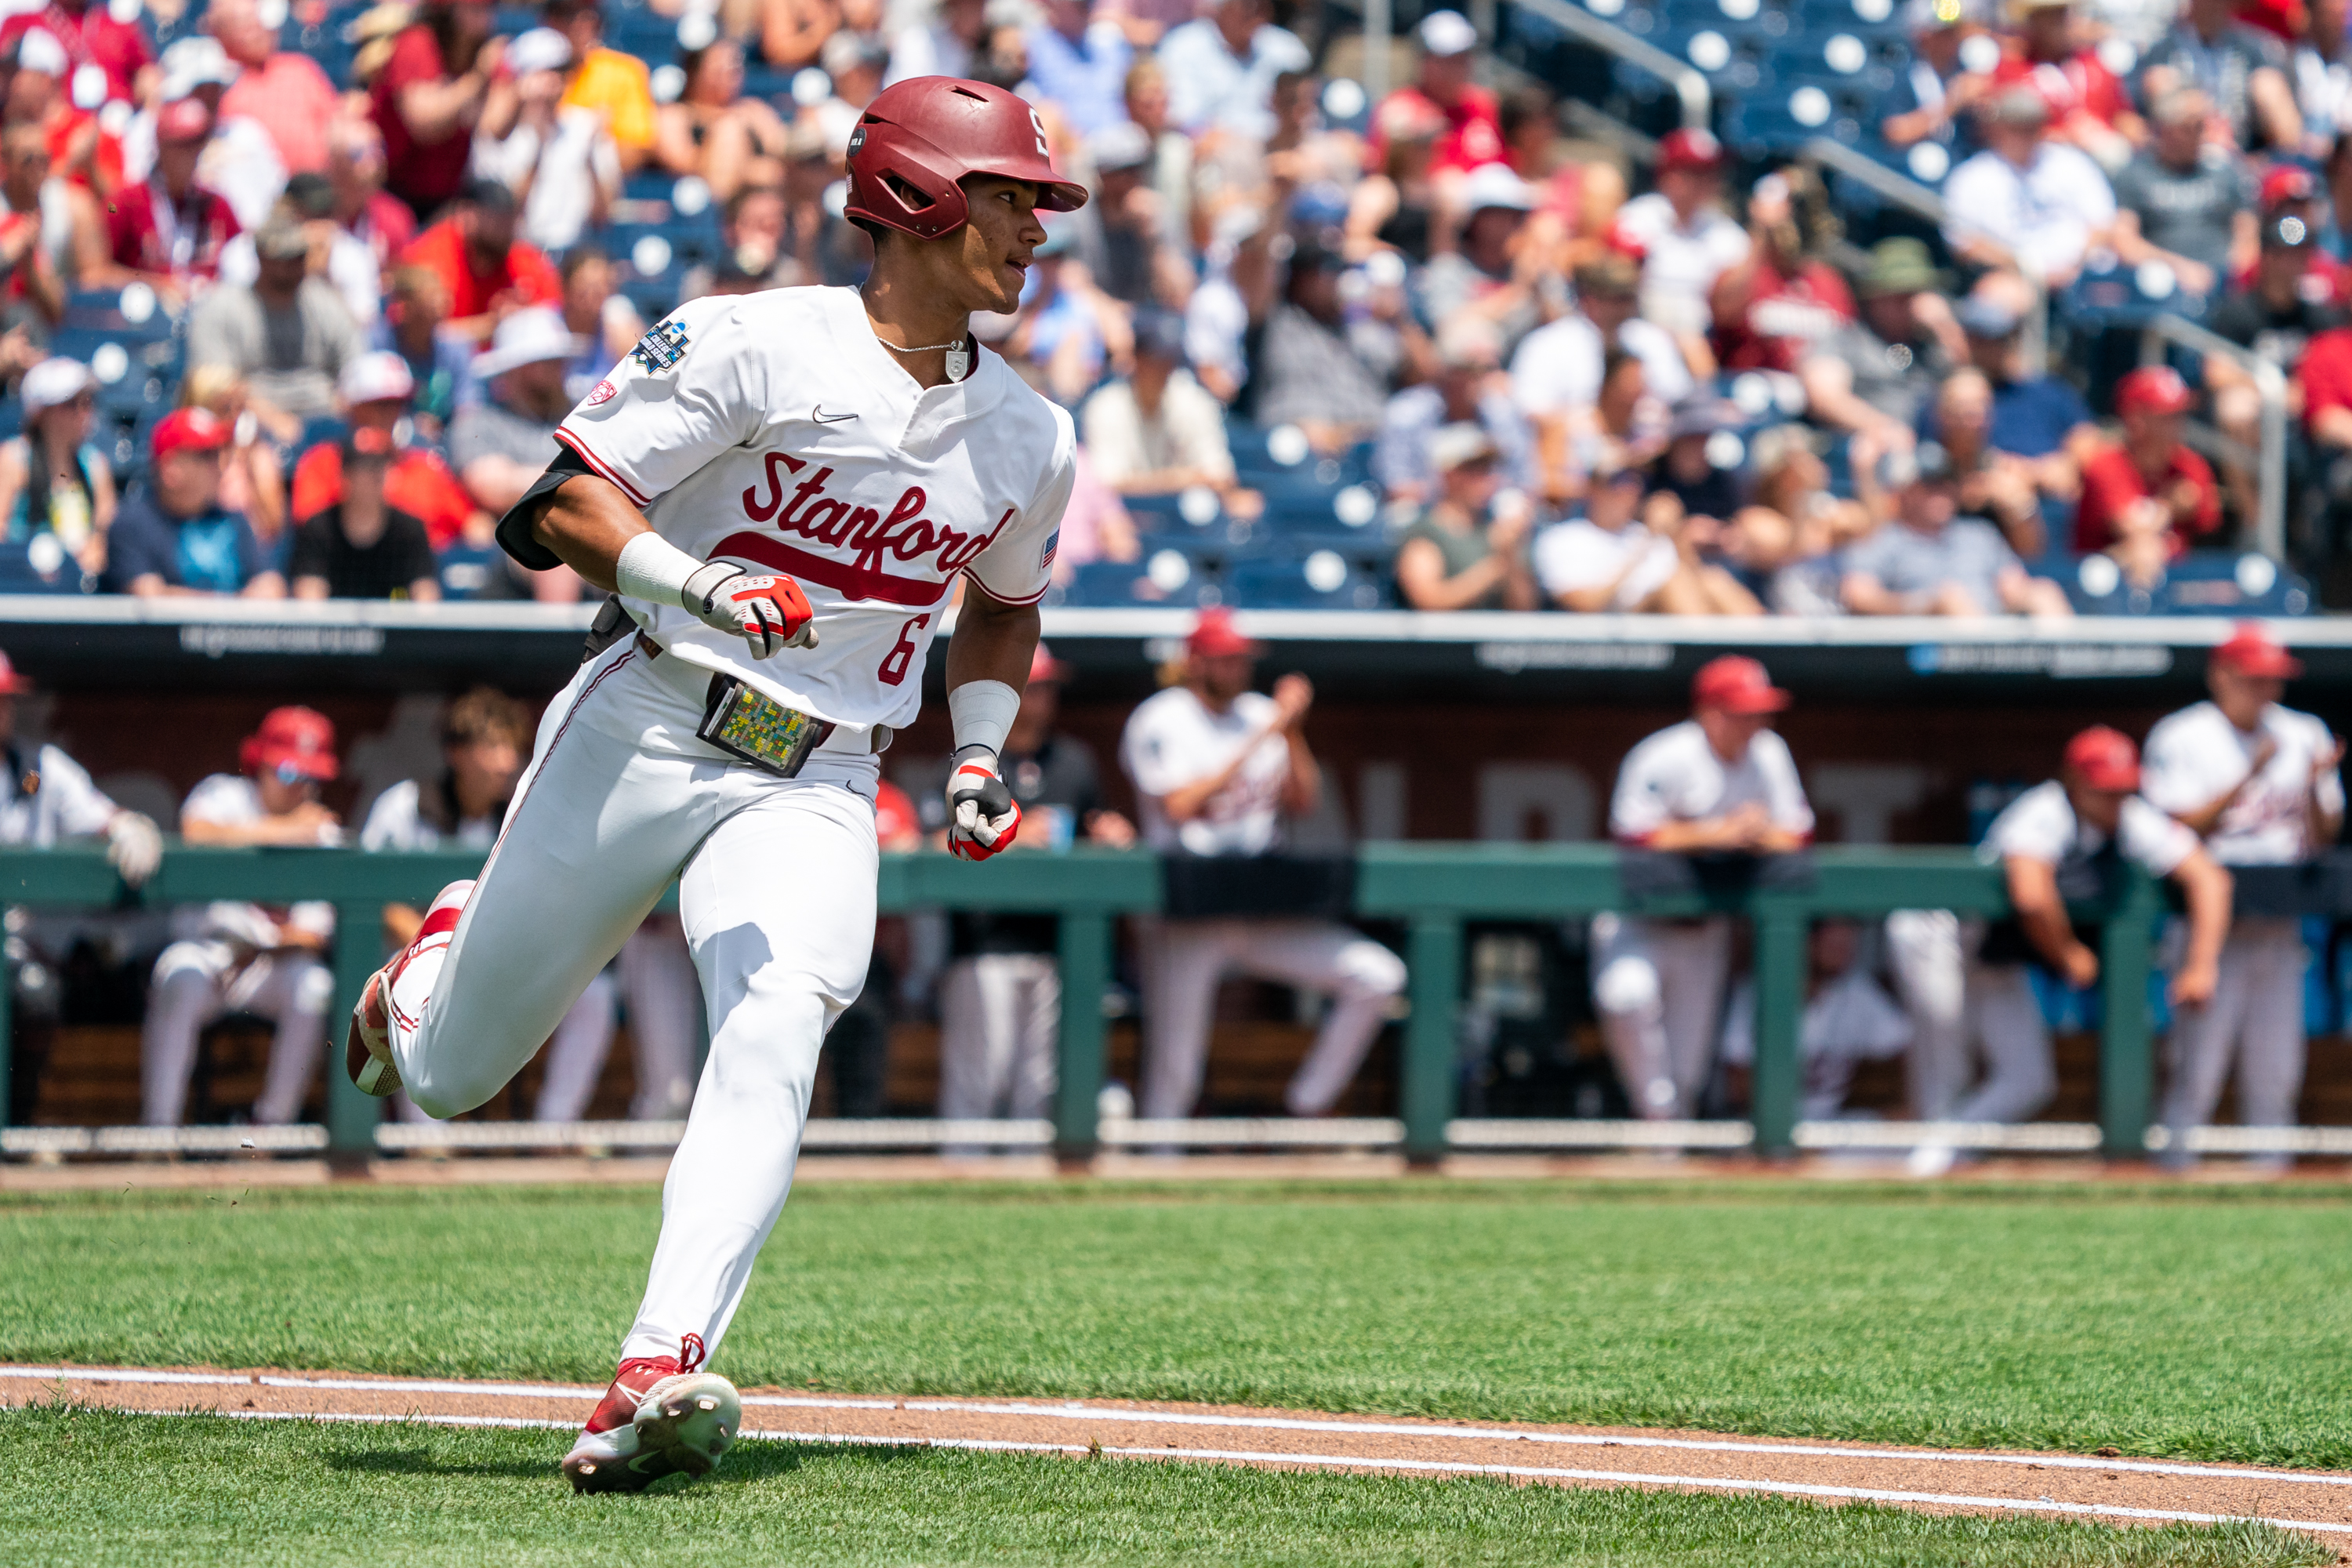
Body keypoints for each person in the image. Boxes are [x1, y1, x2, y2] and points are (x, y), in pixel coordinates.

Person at [337, 76, 1082, 1494]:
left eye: (1040, 203)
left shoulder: (1032, 435)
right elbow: (559, 504)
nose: (1036, 231)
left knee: (779, 1014)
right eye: (1011, 196)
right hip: (656, 714)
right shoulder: (754, 341)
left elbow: (1004, 600)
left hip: (824, 771)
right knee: (446, 1078)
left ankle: (655, 1362)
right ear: (919, 195)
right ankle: (429, 969)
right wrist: (700, 579)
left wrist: (979, 751)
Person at [1898, 727, 2232, 1174]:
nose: (2116, 800)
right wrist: (2070, 954)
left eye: (2124, 789)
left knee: (2028, 1080)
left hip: (1996, 958)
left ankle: (1938, 1158)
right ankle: (1927, 1175)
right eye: (2104, 789)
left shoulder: (2133, 818)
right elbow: (2031, 895)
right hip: (1939, 936)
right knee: (1948, 1074)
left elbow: (2209, 878)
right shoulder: (2044, 810)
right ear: (2074, 780)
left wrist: (2201, 964)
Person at [1119, 608, 1407, 1121]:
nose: (1237, 668)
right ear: (1195, 661)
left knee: (1377, 976)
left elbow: (1305, 800)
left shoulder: (1259, 714)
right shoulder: (1161, 718)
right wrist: (1265, 732)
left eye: (1241, 659)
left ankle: (1306, 1104)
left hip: (1259, 900)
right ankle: (1158, 1163)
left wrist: (1291, 733)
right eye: (1225, 659)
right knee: (1176, 1063)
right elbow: (1182, 806)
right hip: (1189, 908)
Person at [2141, 626, 2342, 1165]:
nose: (2266, 690)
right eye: (2254, 678)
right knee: (2197, 1068)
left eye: (2273, 680)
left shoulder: (2304, 732)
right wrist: (2248, 776)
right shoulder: (2182, 734)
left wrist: (2313, 792)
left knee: (2276, 1071)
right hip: (2208, 924)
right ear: (2221, 675)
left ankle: (2270, 1186)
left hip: (2279, 922)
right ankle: (2172, 1181)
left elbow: (2324, 837)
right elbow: (2175, 830)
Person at [915, 644, 1134, 1129]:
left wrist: (1107, 835)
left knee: (1038, 1083)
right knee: (980, 1078)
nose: (1042, 698)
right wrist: (1014, 838)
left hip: (1056, 944)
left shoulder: (1073, 760)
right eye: (1033, 688)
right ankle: (962, 1173)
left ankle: (1025, 1181)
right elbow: (927, 842)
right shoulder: (972, 761)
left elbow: (1093, 827)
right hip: (982, 944)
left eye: (1048, 688)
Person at [1595, 656, 1813, 1121]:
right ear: (1710, 712)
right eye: (1743, 712)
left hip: (1704, 929)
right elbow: (1633, 836)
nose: (1756, 722)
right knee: (1625, 997)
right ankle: (1657, 1128)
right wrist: (1718, 832)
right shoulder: (1664, 754)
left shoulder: (1770, 752)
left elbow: (1798, 836)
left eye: (1761, 711)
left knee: (1687, 1072)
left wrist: (1753, 832)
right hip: (1639, 922)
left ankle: (1664, 1149)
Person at [142, 707, 343, 1128]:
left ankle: (270, 1130)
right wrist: (286, 833)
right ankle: (158, 1131)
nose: (300, 786)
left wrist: (257, 946)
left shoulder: (322, 831)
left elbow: (313, 934)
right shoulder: (223, 796)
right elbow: (198, 835)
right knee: (177, 975)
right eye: (289, 773)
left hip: (272, 964)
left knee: (315, 988)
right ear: (261, 763)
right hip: (208, 953)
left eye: (311, 776)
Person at [1512, 247, 1691, 501]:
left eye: (1628, 297)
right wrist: (1600, 436)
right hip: (1574, 465)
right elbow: (1533, 412)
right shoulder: (1549, 343)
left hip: (1646, 464)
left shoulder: (1651, 340)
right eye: (1614, 298)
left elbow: (1678, 401)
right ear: (1588, 298)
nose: (1624, 306)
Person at [1843, 444, 2072, 618]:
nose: (1941, 493)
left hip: (1992, 638)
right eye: (1930, 485)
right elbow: (1857, 595)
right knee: (1954, 601)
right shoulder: (1882, 537)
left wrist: (2032, 595)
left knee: (2045, 592)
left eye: (1947, 484)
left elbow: (2013, 587)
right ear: (1906, 491)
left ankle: (2071, 675)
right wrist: (1927, 605)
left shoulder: (1980, 534)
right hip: (1923, 651)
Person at [1719, 920, 1913, 1122]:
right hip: (1765, 1128)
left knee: (1890, 1128)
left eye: (1849, 938)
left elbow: (1900, 1057)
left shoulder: (1857, 989)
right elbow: (1738, 1086)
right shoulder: (1757, 990)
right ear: (1806, 940)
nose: (1845, 947)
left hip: (1833, 1129)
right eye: (1835, 941)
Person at [292, 353, 483, 554]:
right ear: (351, 408)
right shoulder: (321, 464)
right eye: (380, 404)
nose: (390, 414)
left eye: (397, 404)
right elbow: (311, 536)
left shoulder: (426, 467)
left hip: (424, 577)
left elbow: (475, 526)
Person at [448, 307, 580, 592]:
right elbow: (491, 486)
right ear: (517, 369)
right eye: (546, 361)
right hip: (514, 539)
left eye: (559, 360)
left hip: (591, 527)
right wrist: (581, 478)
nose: (560, 368)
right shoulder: (479, 421)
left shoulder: (582, 415)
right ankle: (558, 637)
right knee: (556, 551)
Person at [1798, 238, 1962, 463]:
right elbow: (1824, 396)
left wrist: (1945, 327)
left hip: (1928, 456)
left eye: (1914, 296)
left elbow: (1968, 384)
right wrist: (1882, 427)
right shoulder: (1848, 338)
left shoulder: (1931, 346)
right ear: (1875, 297)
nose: (1909, 306)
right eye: (1899, 296)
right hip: (1862, 453)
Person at [187, 215, 361, 424]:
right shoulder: (223, 307)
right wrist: (276, 421)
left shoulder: (326, 303)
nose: (292, 266)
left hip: (326, 419)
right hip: (251, 426)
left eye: (298, 256)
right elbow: (213, 385)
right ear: (260, 256)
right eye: (283, 257)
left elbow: (356, 370)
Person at [1940, 83, 2114, 287]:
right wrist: (2027, 269)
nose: (2026, 135)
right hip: (2010, 275)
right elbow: (1965, 244)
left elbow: (2104, 224)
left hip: (2079, 274)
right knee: (1998, 297)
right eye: (2017, 127)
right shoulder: (1971, 176)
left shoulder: (2071, 162)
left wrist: (2074, 266)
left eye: (2032, 126)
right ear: (1996, 128)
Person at [1080, 307, 1250, 511]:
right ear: (1137, 359)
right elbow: (1107, 485)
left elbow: (1220, 476)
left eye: (1170, 360)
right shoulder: (1105, 406)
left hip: (1185, 520)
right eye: (1156, 360)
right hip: (1129, 518)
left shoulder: (1194, 401)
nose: (1165, 369)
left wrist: (1152, 483)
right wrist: (1186, 478)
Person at [100, 410, 282, 598]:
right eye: (207, 455)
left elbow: (271, 585)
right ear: (171, 469)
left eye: (220, 453)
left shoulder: (234, 519)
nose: (220, 465)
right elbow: (148, 597)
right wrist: (235, 604)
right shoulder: (132, 524)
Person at [470, 27, 619, 254]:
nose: (556, 80)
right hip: (518, 251)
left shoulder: (586, 126)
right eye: (547, 71)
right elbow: (508, 210)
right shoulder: (501, 136)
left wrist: (589, 155)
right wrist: (539, 148)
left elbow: (603, 214)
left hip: (573, 254)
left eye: (563, 71)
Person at [1535, 462, 1755, 614]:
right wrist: (1637, 555)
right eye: (1620, 481)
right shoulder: (1563, 539)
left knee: (1714, 580)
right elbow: (1583, 605)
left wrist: (1676, 534)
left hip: (1672, 619)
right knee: (1673, 587)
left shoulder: (1645, 534)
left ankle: (1764, 658)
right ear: (1594, 488)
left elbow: (1695, 584)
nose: (1631, 490)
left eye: (1636, 482)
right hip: (1620, 627)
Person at [82, 97, 239, 302]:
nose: (190, 153)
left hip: (207, 317)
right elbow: (94, 275)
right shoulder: (124, 202)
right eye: (180, 144)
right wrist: (158, 285)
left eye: (197, 142)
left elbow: (245, 266)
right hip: (142, 322)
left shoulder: (217, 205)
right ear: (160, 145)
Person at [2109, 90, 2259, 304]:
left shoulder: (2225, 171)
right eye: (2195, 126)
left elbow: (2247, 234)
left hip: (2224, 286)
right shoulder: (2134, 175)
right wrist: (2178, 268)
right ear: (2168, 129)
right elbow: (2123, 242)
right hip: (2161, 287)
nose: (2204, 133)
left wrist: (2229, 275)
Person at [1612, 129, 1750, 358]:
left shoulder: (1728, 234)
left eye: (1711, 173)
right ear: (1668, 173)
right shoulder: (1636, 218)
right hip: (1639, 324)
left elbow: (1730, 307)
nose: (1706, 181)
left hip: (1706, 337)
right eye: (1694, 172)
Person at [371, 0, 514, 218]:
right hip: (393, 192)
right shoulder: (416, 42)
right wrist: (477, 80)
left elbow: (494, 129)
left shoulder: (485, 51)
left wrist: (517, 92)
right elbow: (423, 123)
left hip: (449, 197)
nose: (486, 19)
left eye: (489, 9)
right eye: (476, 9)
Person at [1251, 239, 1396, 455]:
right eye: (1326, 271)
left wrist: (1399, 319)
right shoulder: (1276, 322)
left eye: (1339, 271)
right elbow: (1254, 268)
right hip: (1296, 449)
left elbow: (1424, 375)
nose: (1335, 280)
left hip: (1367, 447)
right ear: (1299, 278)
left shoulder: (1361, 329)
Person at [1381, 314, 1536, 505]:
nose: (1482, 379)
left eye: (1489, 368)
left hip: (1489, 516)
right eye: (1472, 369)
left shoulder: (1503, 413)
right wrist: (1459, 488)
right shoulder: (1407, 413)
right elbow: (1398, 487)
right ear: (1447, 369)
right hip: (1427, 516)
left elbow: (1525, 483)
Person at [2074, 366, 2223, 555]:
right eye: (2168, 416)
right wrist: (2169, 508)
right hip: (2103, 577)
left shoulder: (2191, 465)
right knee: (2144, 550)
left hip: (2178, 577)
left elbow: (2210, 524)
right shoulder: (2106, 464)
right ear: (2136, 419)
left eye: (2181, 414)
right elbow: (2131, 529)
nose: (2179, 424)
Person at [398, 178, 564, 344]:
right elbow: (416, 332)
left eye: (508, 221)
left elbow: (555, 316)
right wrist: (492, 326)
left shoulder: (523, 259)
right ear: (466, 214)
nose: (503, 230)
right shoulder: (430, 256)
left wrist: (524, 317)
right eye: (495, 220)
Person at [1393, 423, 1537, 611]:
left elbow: (1524, 609)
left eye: (1489, 468)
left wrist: (1510, 555)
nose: (1486, 478)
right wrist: (1498, 565)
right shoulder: (1424, 532)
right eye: (1474, 468)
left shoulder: (1499, 530)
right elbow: (1429, 600)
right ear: (1447, 474)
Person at [289, 430, 443, 601]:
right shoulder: (319, 527)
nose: (376, 475)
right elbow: (309, 601)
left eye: (381, 465)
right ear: (345, 476)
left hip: (393, 626)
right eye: (366, 467)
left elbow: (426, 597)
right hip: (337, 627)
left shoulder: (409, 529)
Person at [2136, 0, 2302, 152]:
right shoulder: (2164, 48)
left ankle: (2294, 161)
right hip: (2185, 147)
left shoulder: (2252, 47)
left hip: (2242, 145)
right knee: (2159, 79)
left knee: (2268, 84)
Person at [0, 355, 110, 571]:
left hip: (79, 590)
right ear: (40, 413)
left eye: (87, 402)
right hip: (20, 585)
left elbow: (105, 532)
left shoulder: (95, 465)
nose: (83, 413)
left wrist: (96, 549)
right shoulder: (13, 459)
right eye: (70, 404)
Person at [209, 0, 340, 177]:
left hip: (317, 191)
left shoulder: (299, 68)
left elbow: (337, 124)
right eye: (244, 24)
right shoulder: (216, 87)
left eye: (258, 20)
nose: (257, 30)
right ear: (220, 35)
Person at [652, 38, 789, 202]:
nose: (729, 72)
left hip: (758, 199)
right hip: (703, 201)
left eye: (734, 67)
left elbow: (783, 160)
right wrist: (745, 167)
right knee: (729, 130)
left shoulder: (756, 111)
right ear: (694, 72)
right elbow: (683, 167)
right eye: (719, 68)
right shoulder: (673, 115)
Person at [1368, 10, 1504, 175]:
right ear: (1424, 60)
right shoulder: (1400, 107)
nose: (1459, 66)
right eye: (1449, 59)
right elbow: (1381, 168)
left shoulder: (1485, 105)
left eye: (1464, 57)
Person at [1156, 0, 1310, 139]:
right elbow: (1183, 115)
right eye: (1248, 4)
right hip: (1209, 149)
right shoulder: (1183, 46)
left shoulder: (1287, 49)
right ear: (1221, 8)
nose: (1257, 10)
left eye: (1263, 4)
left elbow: (1306, 113)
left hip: (1279, 144)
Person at [549, 0, 656, 175]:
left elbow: (634, 152)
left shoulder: (624, 71)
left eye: (589, 16)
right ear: (547, 20)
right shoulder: (526, 65)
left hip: (592, 185)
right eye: (566, 15)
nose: (579, 24)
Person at [1023, 0, 1131, 137]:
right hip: (1065, 145)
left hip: (1120, 140)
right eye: (1079, 4)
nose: (1086, 6)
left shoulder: (1111, 42)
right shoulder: (1033, 43)